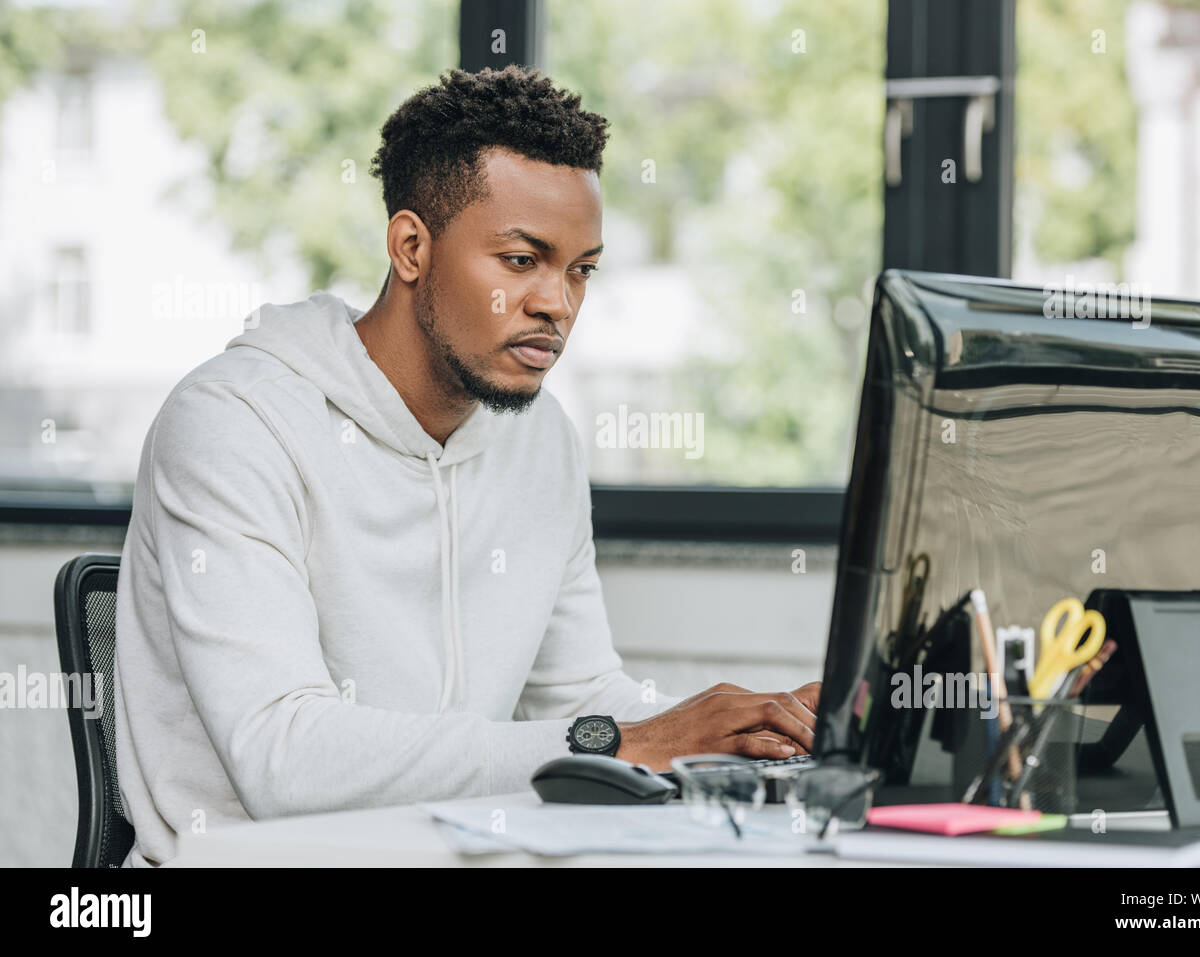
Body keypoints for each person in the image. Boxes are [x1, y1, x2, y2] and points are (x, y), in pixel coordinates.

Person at [113, 65, 819, 868]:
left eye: (581, 268)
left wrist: (754, 725)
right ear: (411, 246)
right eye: (522, 261)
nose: (558, 302)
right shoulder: (233, 424)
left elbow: (581, 701)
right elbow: (285, 757)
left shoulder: (539, 437)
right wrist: (627, 739)